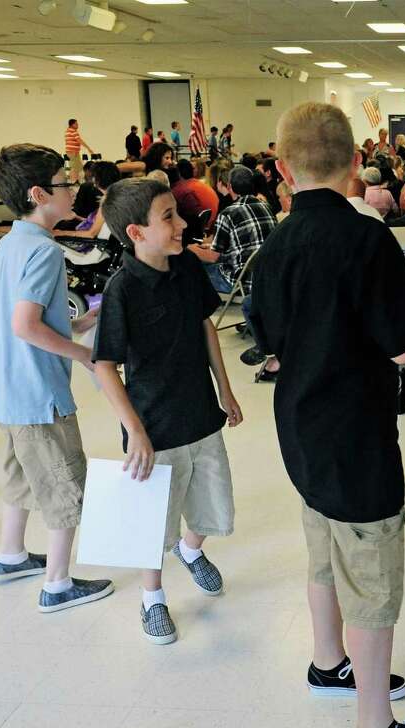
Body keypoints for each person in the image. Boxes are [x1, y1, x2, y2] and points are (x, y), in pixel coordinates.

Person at [247, 101, 405, 728]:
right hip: (356, 434)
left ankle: (329, 661)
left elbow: (268, 341)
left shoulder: (274, 246)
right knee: (371, 572)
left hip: (300, 427)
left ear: (282, 168)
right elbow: (404, 344)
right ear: (355, 163)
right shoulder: (366, 238)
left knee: (323, 541)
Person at [92, 178, 243, 645]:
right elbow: (104, 366)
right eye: (169, 217)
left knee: (212, 504)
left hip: (200, 412)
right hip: (154, 427)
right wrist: (134, 431)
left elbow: (206, 326)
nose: (181, 224)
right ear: (136, 233)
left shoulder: (188, 266)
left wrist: (225, 389)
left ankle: (191, 550)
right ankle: (152, 597)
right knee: (153, 521)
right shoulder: (122, 289)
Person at [0, 143, 115, 609]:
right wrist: (83, 354)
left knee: (21, 473)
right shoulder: (42, 251)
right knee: (65, 485)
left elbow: (23, 318)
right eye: (64, 182)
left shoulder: (11, 243)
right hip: (38, 393)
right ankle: (58, 584)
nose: (73, 189)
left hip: (7, 390)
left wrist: (79, 322)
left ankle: (11, 554)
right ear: (38, 194)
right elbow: (25, 326)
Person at [187, 164, 277, 364]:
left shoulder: (228, 213)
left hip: (240, 280)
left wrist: (190, 248)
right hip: (265, 274)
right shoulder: (265, 205)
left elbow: (213, 257)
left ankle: (198, 322)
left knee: (194, 268)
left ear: (229, 187)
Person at [171, 158, 220, 235]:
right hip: (212, 226)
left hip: (204, 229)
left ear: (178, 174)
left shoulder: (181, 189)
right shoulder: (199, 184)